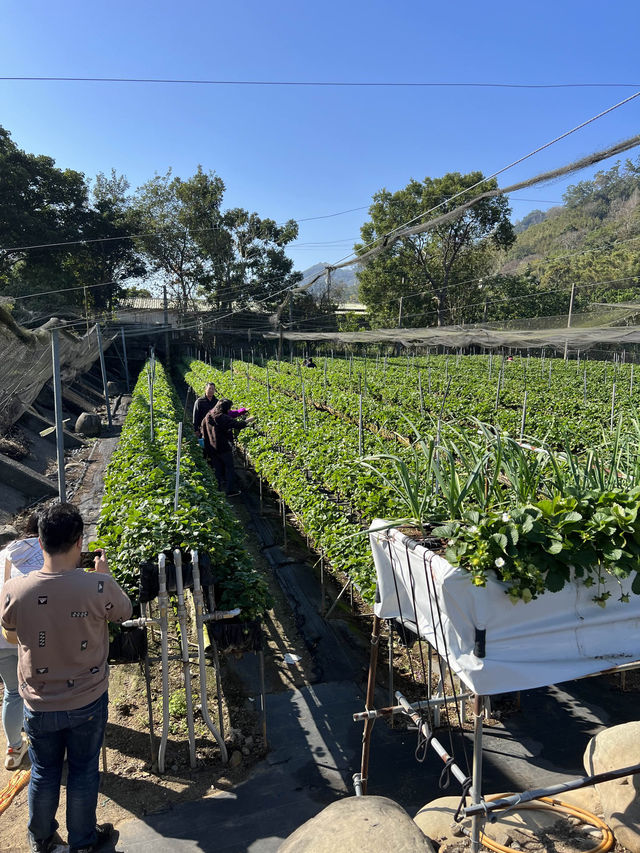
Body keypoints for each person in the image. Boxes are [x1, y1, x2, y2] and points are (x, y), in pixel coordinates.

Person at [0, 502, 132, 853]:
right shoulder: (98, 586)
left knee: (44, 771)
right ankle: (84, 842)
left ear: (40, 543)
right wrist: (104, 575)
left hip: (38, 702)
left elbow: (11, 631)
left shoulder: (15, 589)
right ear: (79, 542)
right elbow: (125, 612)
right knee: (83, 770)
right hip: (87, 699)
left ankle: (41, 839)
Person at [0, 512, 43, 771]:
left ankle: (13, 749)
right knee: (40, 689)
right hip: (29, 636)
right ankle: (46, 744)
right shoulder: (47, 555)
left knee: (13, 692)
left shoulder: (4, 556)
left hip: (1, 635)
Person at [203, 398, 249, 496]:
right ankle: (230, 490)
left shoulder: (209, 415)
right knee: (229, 468)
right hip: (223, 447)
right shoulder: (222, 417)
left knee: (217, 469)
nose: (229, 410)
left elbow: (203, 429)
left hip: (211, 446)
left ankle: (217, 490)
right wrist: (249, 420)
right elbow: (237, 425)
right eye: (228, 408)